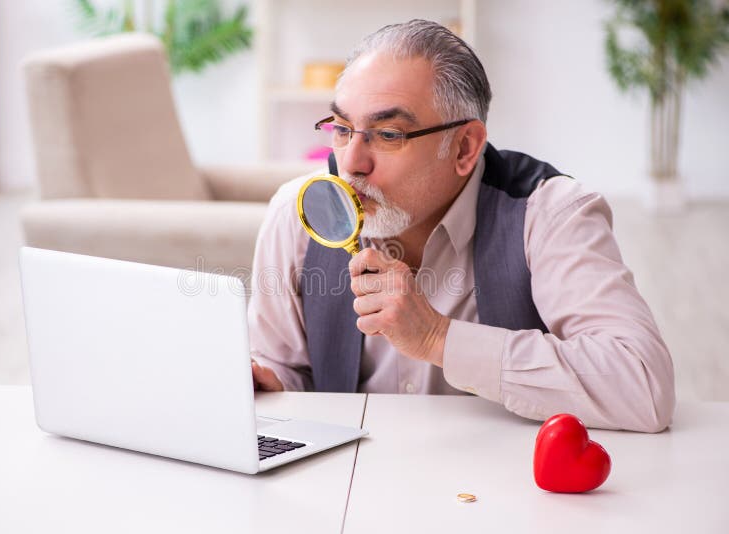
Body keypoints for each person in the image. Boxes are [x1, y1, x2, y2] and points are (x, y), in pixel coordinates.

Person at [248, 19, 674, 433]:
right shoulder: (295, 213)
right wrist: (272, 384)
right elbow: (290, 369)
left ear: (465, 147)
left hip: (508, 486)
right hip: (345, 481)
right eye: (342, 129)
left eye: (389, 135)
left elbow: (643, 386)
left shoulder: (550, 213)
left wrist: (438, 338)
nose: (352, 164)